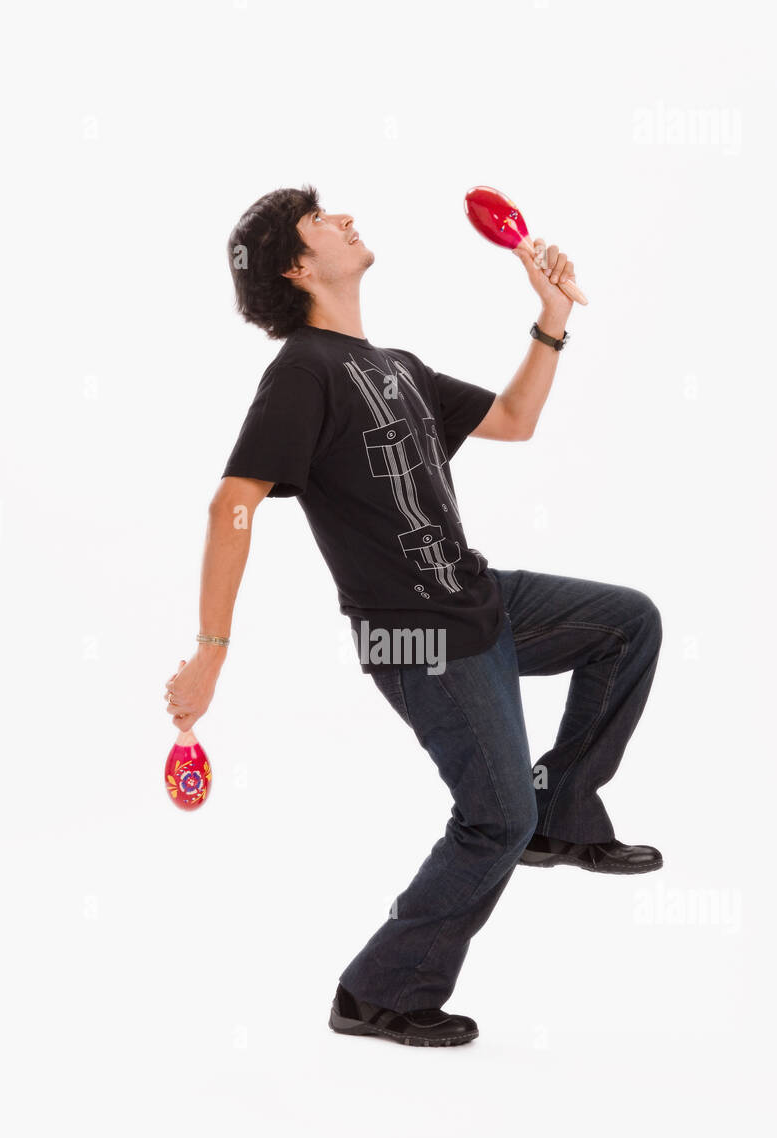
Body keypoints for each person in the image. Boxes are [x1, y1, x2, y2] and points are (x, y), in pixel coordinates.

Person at [164, 184, 663, 1049]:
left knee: (629, 624)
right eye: (322, 221)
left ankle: (566, 814)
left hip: (483, 600)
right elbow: (231, 505)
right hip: (419, 635)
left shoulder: (394, 364)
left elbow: (514, 420)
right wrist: (211, 652)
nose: (347, 218)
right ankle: (378, 992)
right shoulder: (302, 372)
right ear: (297, 265)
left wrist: (549, 319)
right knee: (492, 820)